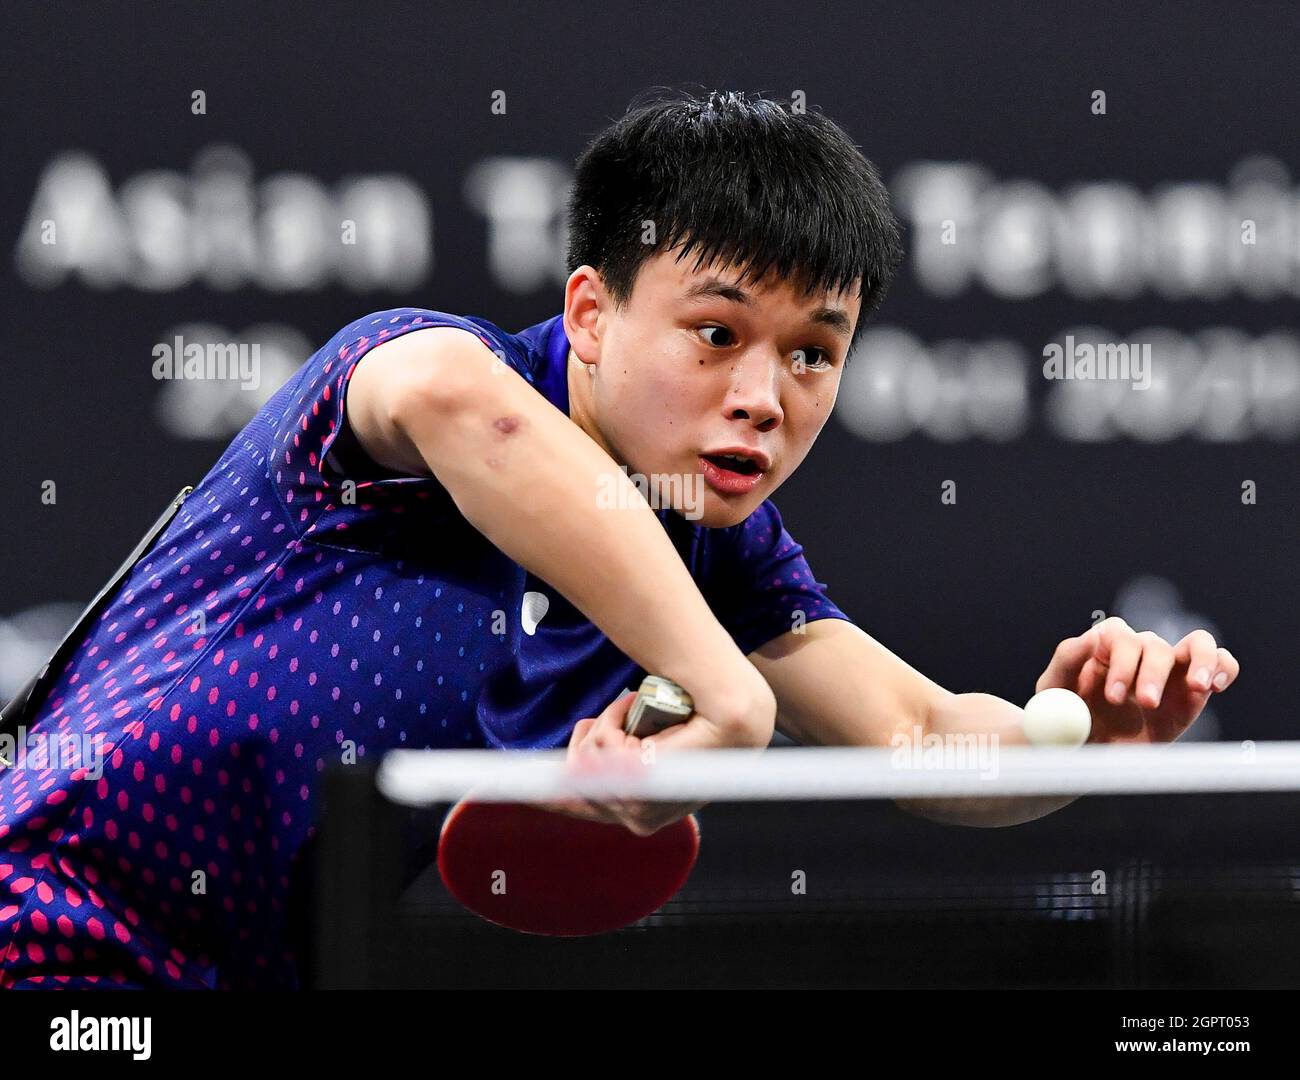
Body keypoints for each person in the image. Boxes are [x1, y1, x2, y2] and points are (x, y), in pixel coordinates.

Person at [0, 89, 1238, 989]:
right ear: (589, 312)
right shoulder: (431, 373)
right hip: (41, 916)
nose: (766, 393)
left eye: (813, 352)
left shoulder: (716, 547)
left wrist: (1072, 746)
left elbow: (917, 738)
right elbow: (460, 414)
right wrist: (722, 693)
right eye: (716, 333)